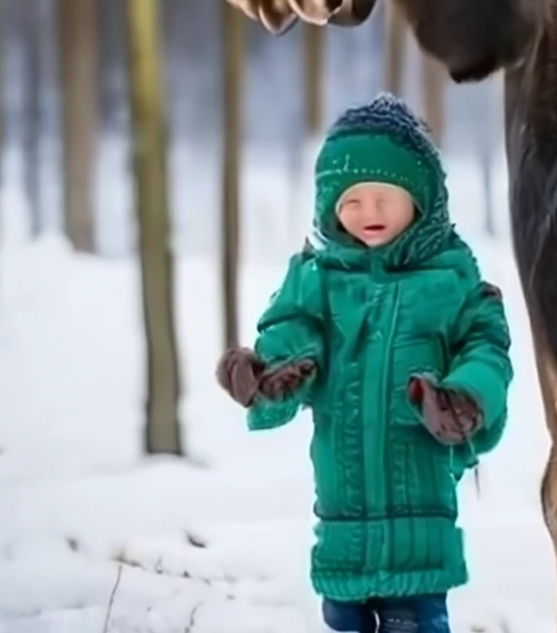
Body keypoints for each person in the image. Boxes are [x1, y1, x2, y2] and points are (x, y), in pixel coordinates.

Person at [216, 92, 513, 633]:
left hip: (420, 527)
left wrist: (465, 400)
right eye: (351, 200)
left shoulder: (452, 279)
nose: (367, 212)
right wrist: (270, 375)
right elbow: (291, 330)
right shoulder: (317, 279)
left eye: (384, 197)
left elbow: (487, 350)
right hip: (342, 527)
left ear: (421, 199)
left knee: (413, 621)